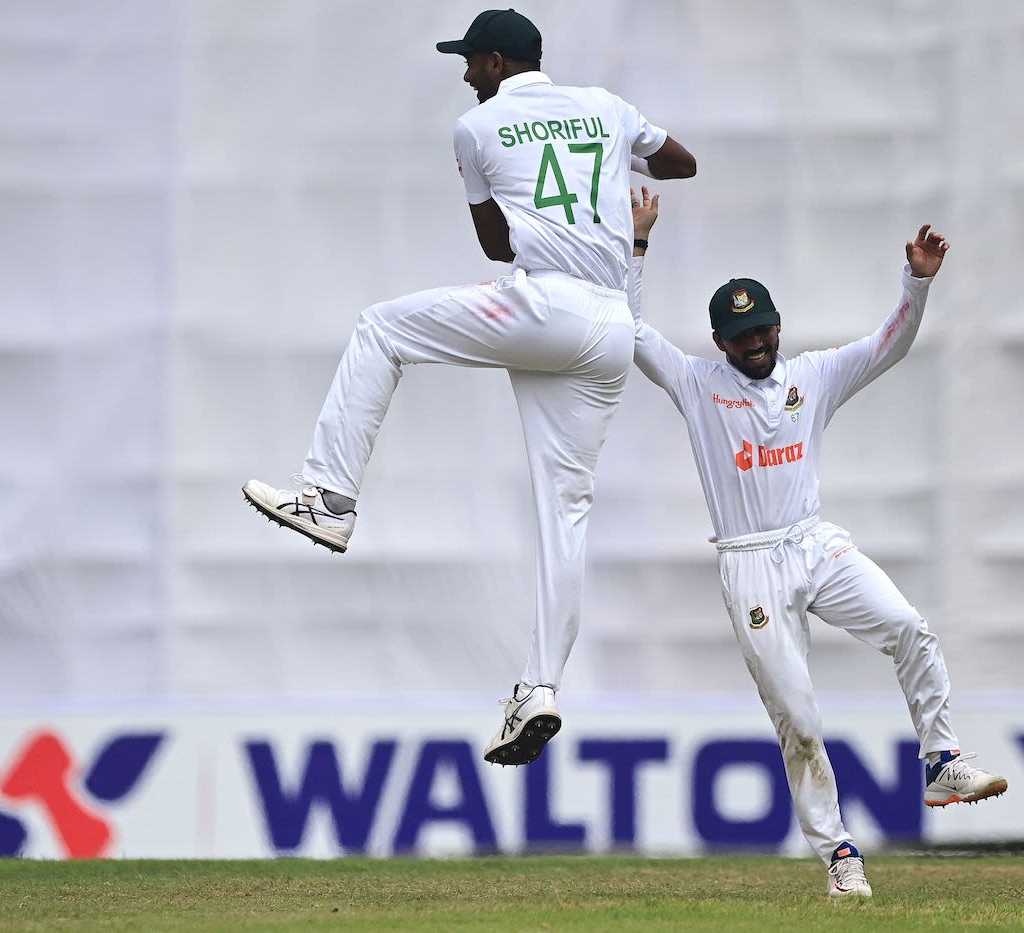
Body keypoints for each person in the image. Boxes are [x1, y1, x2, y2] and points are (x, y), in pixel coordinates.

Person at [242, 11, 696, 767]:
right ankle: (540, 686)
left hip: (544, 304)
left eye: (470, 63)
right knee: (566, 513)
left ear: (494, 60)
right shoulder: (607, 108)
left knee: (382, 329)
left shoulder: (476, 128)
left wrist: (518, 198)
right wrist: (614, 182)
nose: (464, 75)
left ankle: (329, 498)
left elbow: (493, 245)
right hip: (613, 325)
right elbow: (680, 163)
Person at [626, 188, 1005, 899]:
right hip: (749, 561)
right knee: (799, 720)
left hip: (813, 541)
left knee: (908, 627)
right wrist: (638, 243)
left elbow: (887, 343)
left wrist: (916, 282)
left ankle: (941, 759)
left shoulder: (810, 375)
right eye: (744, 338)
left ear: (778, 325)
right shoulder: (698, 384)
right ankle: (840, 854)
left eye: (765, 330)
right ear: (720, 344)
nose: (759, 344)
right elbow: (630, 329)